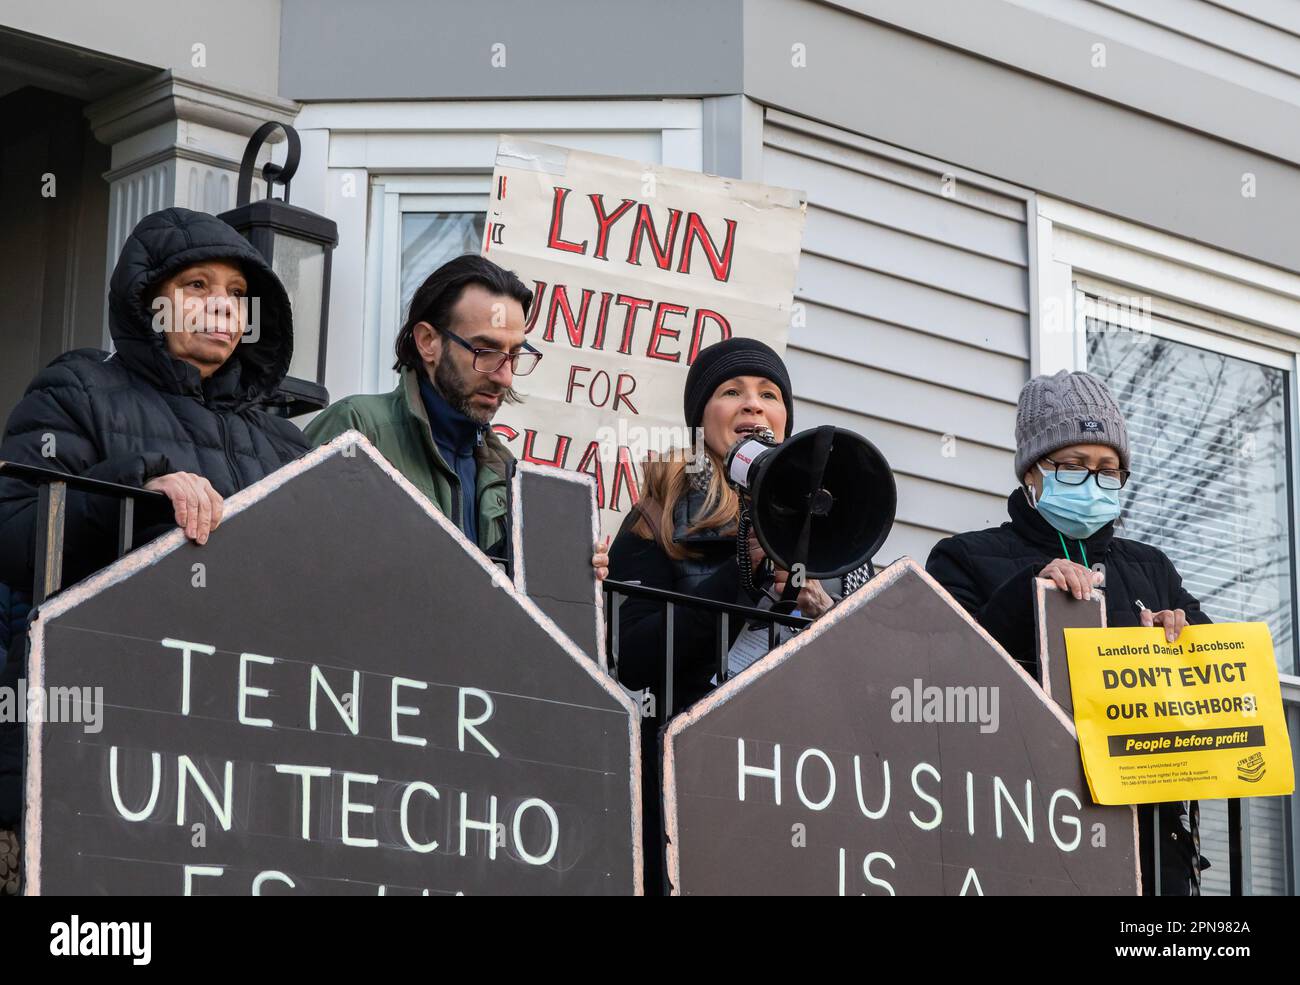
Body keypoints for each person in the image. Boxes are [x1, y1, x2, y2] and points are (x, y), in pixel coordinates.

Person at [0, 206, 309, 850]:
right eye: (197, 285)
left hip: (244, 752)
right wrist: (135, 488)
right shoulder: (79, 387)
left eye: (238, 294)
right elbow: (13, 530)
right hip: (98, 734)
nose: (223, 307)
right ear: (149, 301)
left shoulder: (286, 443)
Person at [926, 369, 1208, 895]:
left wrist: (1183, 639)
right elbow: (944, 678)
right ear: (1032, 473)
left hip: (1148, 841)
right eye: (1074, 466)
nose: (1093, 481)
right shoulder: (965, 558)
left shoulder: (1151, 569)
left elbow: (1218, 691)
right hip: (1019, 824)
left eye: (1108, 469)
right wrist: (1026, 594)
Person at [608, 337, 851, 893]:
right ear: (701, 418)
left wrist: (826, 616)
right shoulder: (657, 515)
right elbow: (635, 660)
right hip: (684, 779)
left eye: (770, 395)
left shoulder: (833, 532)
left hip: (789, 789)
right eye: (731, 391)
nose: (753, 404)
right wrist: (742, 573)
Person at [305, 254, 611, 576]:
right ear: (428, 342)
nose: (504, 377)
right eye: (486, 351)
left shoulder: (506, 473)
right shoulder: (358, 429)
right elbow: (292, 558)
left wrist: (571, 576)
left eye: (515, 355)